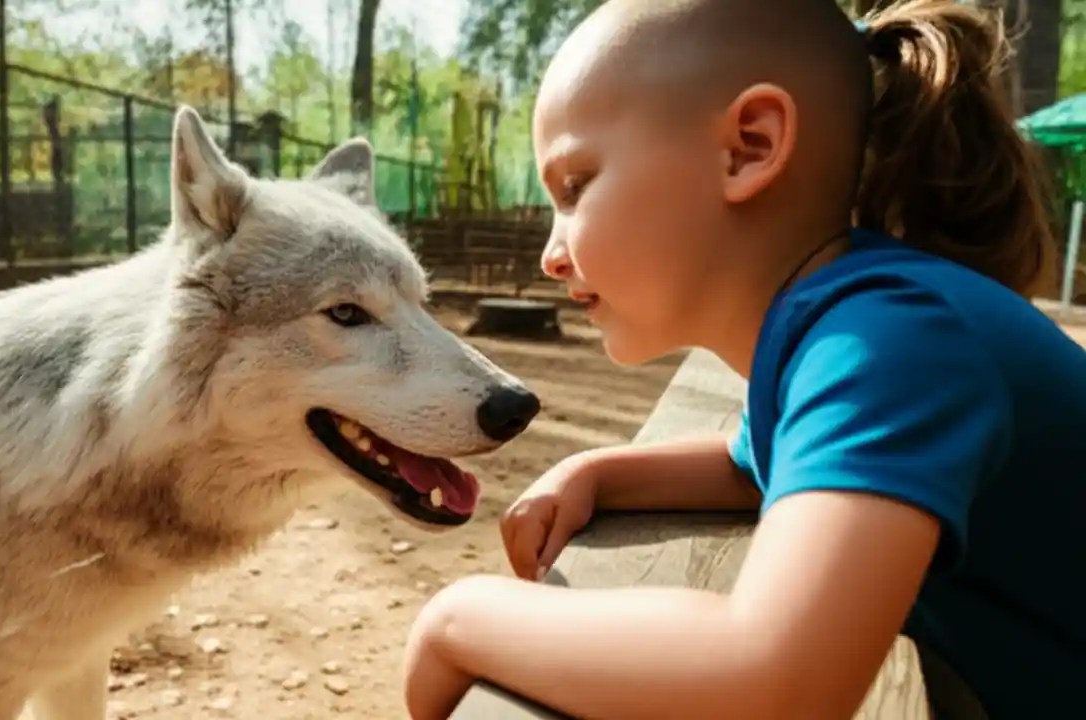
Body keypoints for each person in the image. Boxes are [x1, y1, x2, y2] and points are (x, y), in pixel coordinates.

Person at [401, 0, 1086, 718]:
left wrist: (459, 620)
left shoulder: (890, 342)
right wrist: (598, 472)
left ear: (749, 147)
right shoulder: (854, 323)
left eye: (575, 187)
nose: (550, 252)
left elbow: (775, 677)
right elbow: (748, 466)